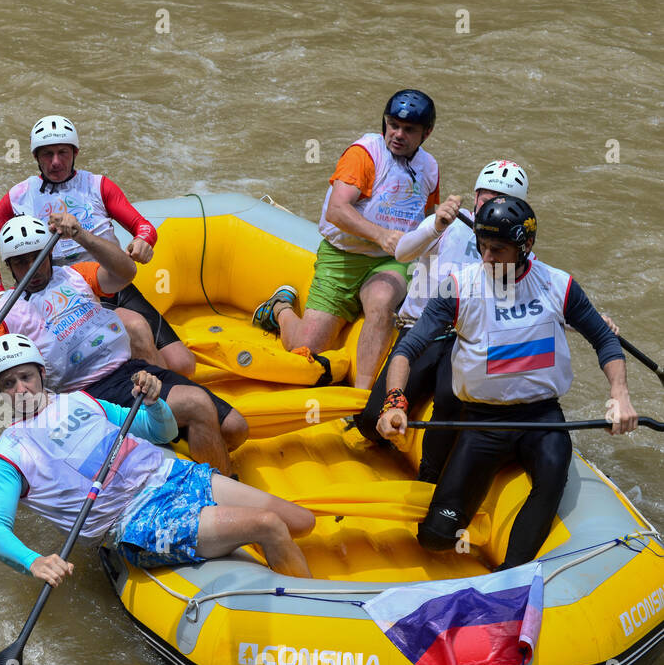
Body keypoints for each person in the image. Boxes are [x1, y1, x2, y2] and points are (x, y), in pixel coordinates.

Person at [376, 195, 636, 569]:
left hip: (542, 419)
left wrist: (620, 396)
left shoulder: (558, 284)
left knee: (551, 474)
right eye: (482, 248)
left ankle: (511, 574)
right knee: (434, 538)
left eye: (498, 250)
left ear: (525, 246)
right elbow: (409, 349)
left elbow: (604, 339)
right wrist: (395, 401)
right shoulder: (457, 287)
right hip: (483, 422)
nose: (487, 259)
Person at [0, 334, 314, 584]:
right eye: (9, 383)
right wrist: (33, 561)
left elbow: (160, 431)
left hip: (173, 474)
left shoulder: (80, 400)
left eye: (26, 377)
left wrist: (155, 404)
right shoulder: (9, 454)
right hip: (138, 520)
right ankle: (313, 618)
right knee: (269, 525)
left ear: (41, 373)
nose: (21, 389)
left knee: (302, 521)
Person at [0, 213, 248, 474]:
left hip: (133, 372)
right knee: (197, 405)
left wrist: (81, 234)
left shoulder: (75, 274)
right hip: (88, 396)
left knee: (236, 429)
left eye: (38, 256)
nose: (32, 267)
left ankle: (183, 439)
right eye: (21, 262)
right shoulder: (3, 313)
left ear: (49, 254)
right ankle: (221, 491)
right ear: (9, 267)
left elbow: (125, 273)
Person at [0, 115, 196, 377]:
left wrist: (143, 241)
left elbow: (143, 226)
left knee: (184, 364)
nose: (56, 162)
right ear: (36, 157)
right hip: (64, 295)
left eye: (62, 153)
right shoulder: (19, 196)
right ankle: (155, 402)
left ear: (75, 153)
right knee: (136, 334)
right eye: (47, 154)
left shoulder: (97, 185)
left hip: (112, 281)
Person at [354, 159, 532, 480]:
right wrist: (434, 225)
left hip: (465, 339)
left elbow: (536, 294)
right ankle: (388, 428)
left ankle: (431, 475)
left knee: (451, 399)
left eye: (499, 199)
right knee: (369, 422)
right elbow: (403, 253)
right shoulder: (447, 222)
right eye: (484, 195)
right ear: (475, 194)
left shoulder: (517, 246)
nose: (488, 204)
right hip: (420, 329)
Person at [254, 89, 441, 389]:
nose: (398, 134)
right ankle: (279, 309)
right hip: (342, 257)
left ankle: (361, 397)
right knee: (307, 349)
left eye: (409, 130)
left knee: (381, 303)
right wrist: (382, 235)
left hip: (389, 262)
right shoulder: (364, 154)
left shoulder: (429, 168)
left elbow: (429, 221)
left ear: (426, 133)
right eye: (393, 124)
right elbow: (337, 211)